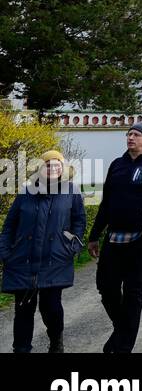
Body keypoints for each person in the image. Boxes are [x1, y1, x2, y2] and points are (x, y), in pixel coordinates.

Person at [87, 122, 142, 353]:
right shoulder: (117, 164)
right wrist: (94, 235)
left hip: (141, 238)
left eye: (135, 134)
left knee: (133, 292)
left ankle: (123, 346)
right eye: (128, 134)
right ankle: (122, 330)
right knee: (106, 286)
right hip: (113, 237)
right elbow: (106, 203)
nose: (130, 138)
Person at [0, 151, 84, 353]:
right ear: (41, 168)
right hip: (23, 260)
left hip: (55, 261)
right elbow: (10, 225)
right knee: (23, 310)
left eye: (57, 165)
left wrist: (71, 246)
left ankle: (56, 342)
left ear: (62, 169)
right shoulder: (26, 191)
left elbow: (79, 221)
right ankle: (21, 349)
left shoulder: (71, 191)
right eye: (48, 164)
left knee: (52, 308)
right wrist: (5, 252)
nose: (52, 168)